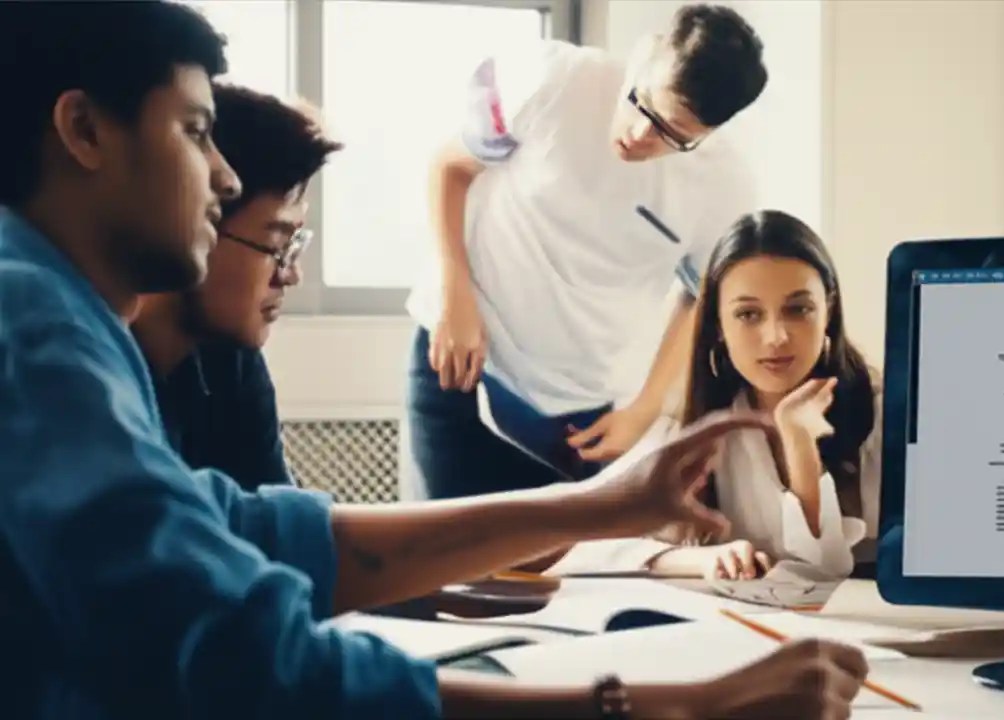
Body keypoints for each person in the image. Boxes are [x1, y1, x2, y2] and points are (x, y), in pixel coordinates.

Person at [0, 3, 871, 718]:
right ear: (83, 129)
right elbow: (245, 658)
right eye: (196, 132)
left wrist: (603, 503)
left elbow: (253, 538)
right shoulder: (32, 325)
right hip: (476, 378)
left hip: (571, 408)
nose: (224, 178)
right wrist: (666, 707)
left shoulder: (70, 323)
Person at [406, 3, 768, 500]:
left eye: (672, 134)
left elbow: (700, 295)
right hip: (465, 355)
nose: (640, 135)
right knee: (441, 542)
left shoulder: (723, 188)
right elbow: (451, 168)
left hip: (579, 403)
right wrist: (455, 294)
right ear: (643, 56)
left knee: (566, 551)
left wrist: (644, 408)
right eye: (642, 104)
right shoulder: (552, 79)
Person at [551, 210, 883, 581]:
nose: (775, 337)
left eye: (798, 309)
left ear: (828, 309)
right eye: (748, 314)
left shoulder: (884, 416)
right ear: (719, 324)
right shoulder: (699, 425)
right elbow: (577, 541)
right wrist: (699, 560)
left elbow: (821, 572)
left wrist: (799, 442)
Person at [131, 81, 341, 491]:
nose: (290, 274)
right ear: (198, 221)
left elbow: (271, 512)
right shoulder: (91, 365)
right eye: (277, 244)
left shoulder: (231, 361)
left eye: (295, 245)